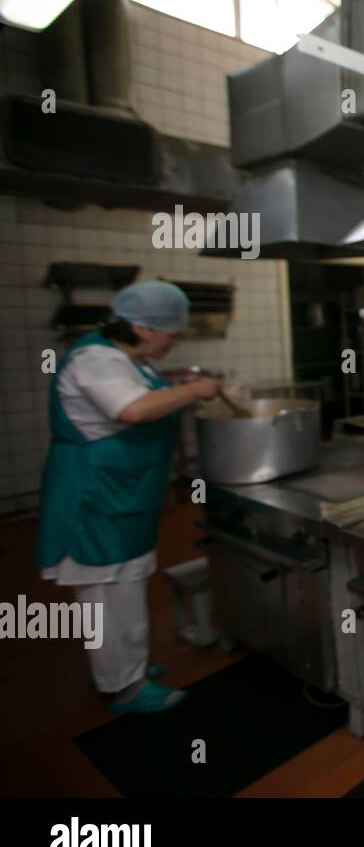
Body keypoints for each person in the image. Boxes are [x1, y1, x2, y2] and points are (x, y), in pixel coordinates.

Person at [35, 281, 224, 715]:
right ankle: (123, 688)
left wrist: (183, 387)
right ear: (139, 326)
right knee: (105, 592)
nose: (174, 341)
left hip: (121, 493)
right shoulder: (96, 359)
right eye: (169, 333)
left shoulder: (126, 358)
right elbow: (133, 410)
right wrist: (195, 391)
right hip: (94, 496)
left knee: (126, 582)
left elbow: (146, 400)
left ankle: (127, 666)